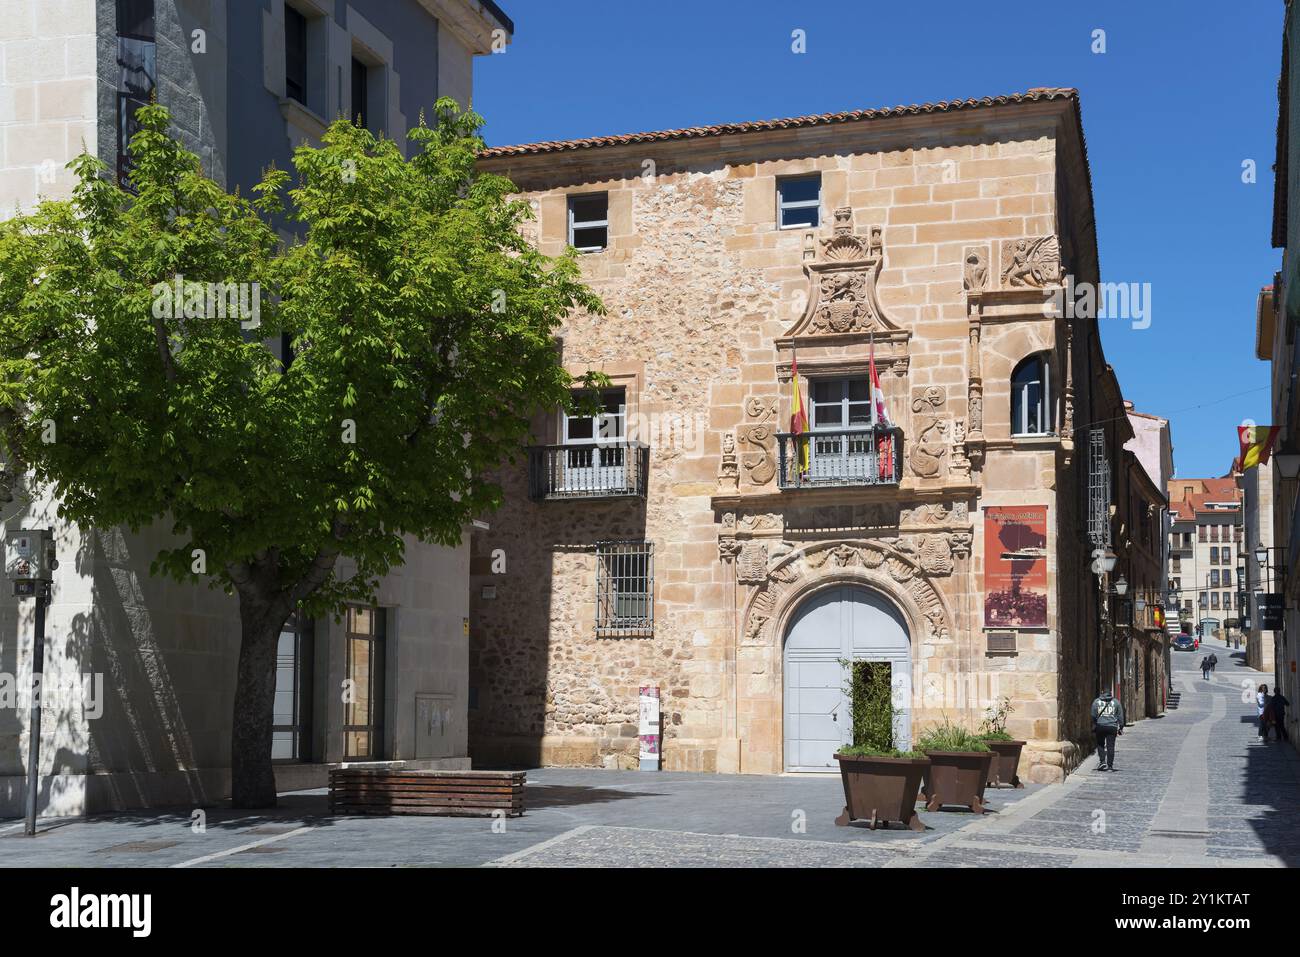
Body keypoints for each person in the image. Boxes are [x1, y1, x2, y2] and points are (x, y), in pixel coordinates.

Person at [1091, 690, 1124, 770]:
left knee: (1100, 744)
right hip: (1112, 727)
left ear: (1102, 693)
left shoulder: (1096, 701)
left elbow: (1093, 714)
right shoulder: (1116, 702)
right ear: (1110, 693)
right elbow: (1120, 716)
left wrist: (1095, 723)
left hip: (1100, 726)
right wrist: (1121, 727)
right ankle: (1110, 765)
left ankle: (1102, 762)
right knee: (1111, 746)